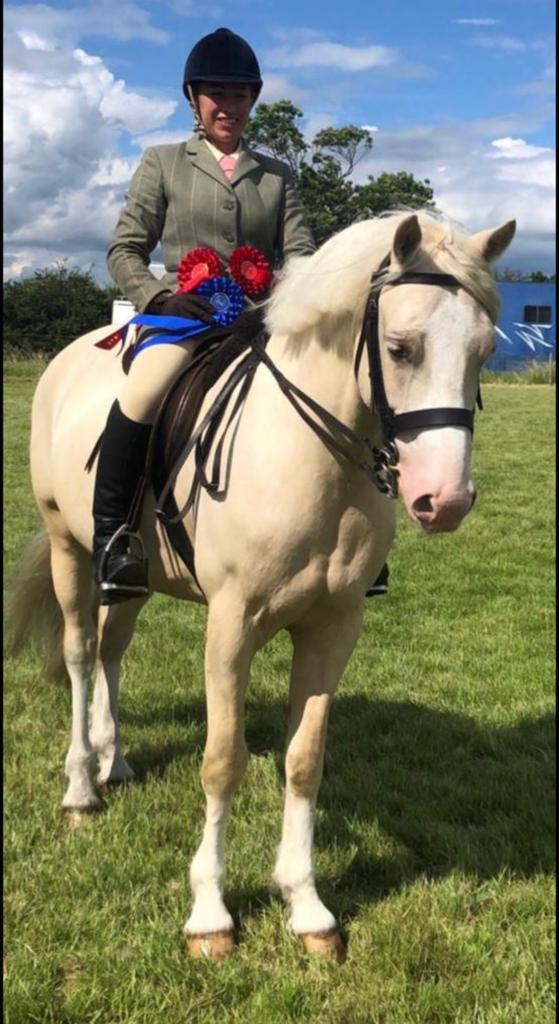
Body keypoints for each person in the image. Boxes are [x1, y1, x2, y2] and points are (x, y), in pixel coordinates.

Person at [92, 26, 389, 604]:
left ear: (252, 101)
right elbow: (124, 249)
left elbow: (300, 254)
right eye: (216, 94)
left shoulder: (278, 176)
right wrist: (157, 296)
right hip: (186, 315)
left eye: (239, 95)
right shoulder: (162, 164)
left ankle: (364, 545)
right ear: (194, 100)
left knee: (346, 389)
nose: (228, 106)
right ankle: (116, 538)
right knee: (146, 391)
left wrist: (292, 294)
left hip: (261, 319)